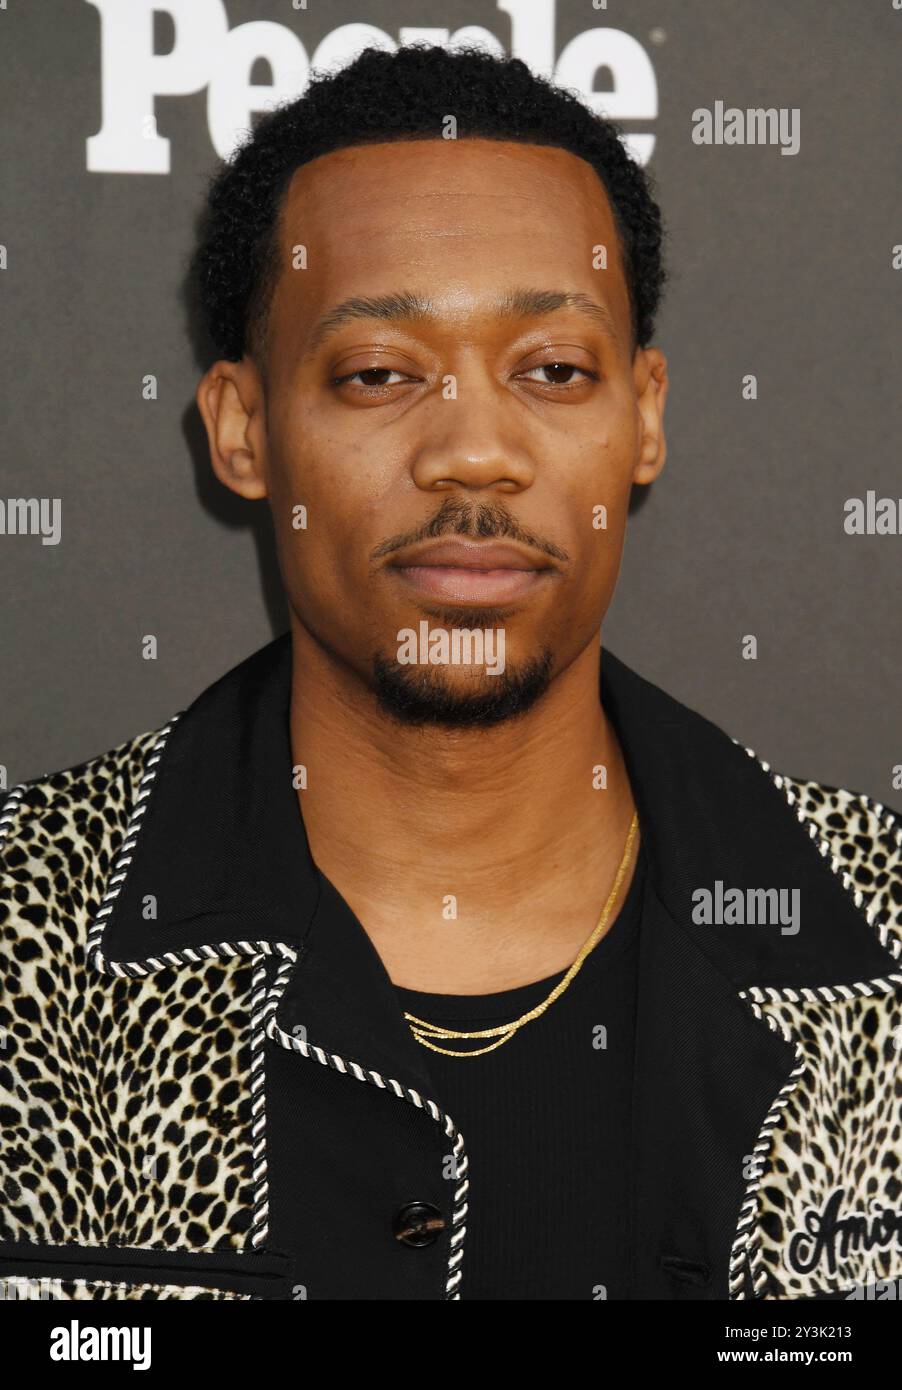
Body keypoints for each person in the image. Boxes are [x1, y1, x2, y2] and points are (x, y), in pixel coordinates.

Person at [1, 44, 899, 1303]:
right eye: (378, 374)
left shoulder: (880, 941)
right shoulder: (22, 942)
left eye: (551, 371)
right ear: (244, 428)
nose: (473, 455)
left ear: (642, 416)